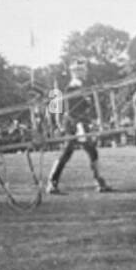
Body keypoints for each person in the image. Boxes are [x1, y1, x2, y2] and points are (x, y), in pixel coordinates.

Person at [46, 59, 111, 194]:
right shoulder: (74, 87)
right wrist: (77, 125)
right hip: (75, 124)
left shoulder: (80, 86)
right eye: (83, 70)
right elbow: (71, 109)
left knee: (82, 152)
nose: (85, 72)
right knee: (71, 152)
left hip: (77, 123)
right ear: (77, 72)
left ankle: (99, 181)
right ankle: (52, 182)